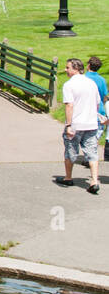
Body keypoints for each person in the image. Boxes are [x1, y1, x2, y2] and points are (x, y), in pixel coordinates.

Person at [57, 58, 102, 194]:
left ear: (75, 69)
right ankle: (94, 180)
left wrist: (69, 125)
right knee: (92, 152)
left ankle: (68, 177)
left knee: (71, 150)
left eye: (67, 68)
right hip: (91, 123)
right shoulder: (91, 83)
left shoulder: (69, 85)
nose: (65, 70)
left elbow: (69, 105)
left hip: (76, 124)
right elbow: (97, 103)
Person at [87, 57, 109, 158]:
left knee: (86, 136)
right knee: (95, 136)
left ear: (88, 65)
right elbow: (105, 95)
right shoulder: (102, 80)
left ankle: (90, 157)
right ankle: (91, 157)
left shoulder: (84, 78)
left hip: (86, 110)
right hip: (99, 111)